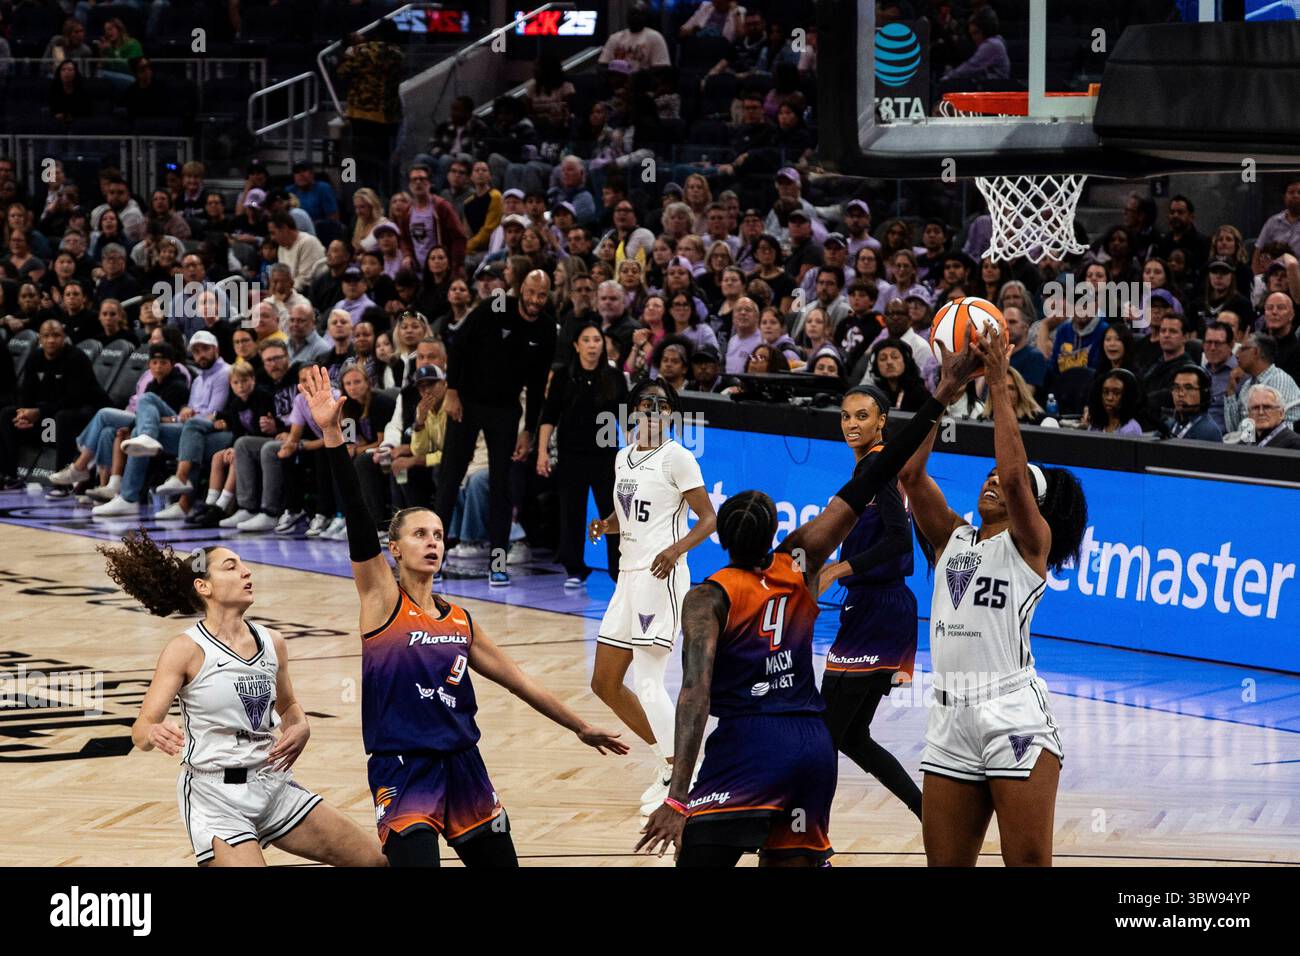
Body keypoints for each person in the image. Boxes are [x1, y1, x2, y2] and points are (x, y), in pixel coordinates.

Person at [636, 341, 983, 864]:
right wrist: (943, 394)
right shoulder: (799, 560)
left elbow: (694, 696)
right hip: (809, 750)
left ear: (722, 538)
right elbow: (875, 474)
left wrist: (676, 795)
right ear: (777, 532)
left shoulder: (708, 597)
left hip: (748, 747)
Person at [301, 366, 627, 866]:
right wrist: (329, 434)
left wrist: (580, 726)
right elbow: (359, 519)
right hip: (404, 768)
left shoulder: (460, 620)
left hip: (464, 767)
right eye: (419, 535)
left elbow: (519, 681)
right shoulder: (381, 599)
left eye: (437, 534)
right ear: (395, 549)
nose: (432, 542)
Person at [896, 324, 1086, 866]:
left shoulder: (1032, 546)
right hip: (950, 716)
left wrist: (999, 384)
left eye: (1008, 483)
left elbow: (1015, 473)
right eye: (991, 477)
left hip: (1013, 714)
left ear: (1029, 502)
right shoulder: (951, 538)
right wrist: (944, 390)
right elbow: (910, 473)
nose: (995, 482)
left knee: (1026, 864)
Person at [100, 530, 386, 867]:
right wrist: (152, 733)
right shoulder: (185, 650)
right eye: (231, 567)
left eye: (244, 566)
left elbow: (289, 706)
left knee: (376, 862)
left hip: (273, 784)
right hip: (215, 794)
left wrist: (301, 726)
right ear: (203, 586)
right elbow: (141, 727)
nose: (246, 572)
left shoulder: (272, 641)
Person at [588, 380, 717, 816]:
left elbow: (709, 519)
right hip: (627, 576)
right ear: (634, 411)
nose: (653, 411)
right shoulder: (623, 454)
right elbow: (629, 513)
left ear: (672, 414)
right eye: (645, 404)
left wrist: (676, 549)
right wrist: (606, 525)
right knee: (604, 682)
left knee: (647, 680)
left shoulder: (678, 457)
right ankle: (669, 766)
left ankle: (684, 775)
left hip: (660, 575)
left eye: (662, 405)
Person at [815, 385, 923, 820]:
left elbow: (900, 540)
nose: (851, 424)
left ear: (882, 421)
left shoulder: (880, 466)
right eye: (845, 416)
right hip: (869, 609)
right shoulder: (868, 471)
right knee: (851, 735)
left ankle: (804, 835)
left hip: (882, 609)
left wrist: (843, 568)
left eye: (862, 416)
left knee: (823, 736)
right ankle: (929, 812)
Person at [436, 271, 556, 586]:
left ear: (548, 296)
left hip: (504, 410)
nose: (534, 301)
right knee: (449, 478)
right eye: (530, 292)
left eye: (541, 295)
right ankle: (434, 559)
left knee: (501, 486)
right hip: (468, 402)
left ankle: (498, 564)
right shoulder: (497, 305)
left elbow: (538, 381)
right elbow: (459, 344)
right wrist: (452, 391)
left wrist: (528, 430)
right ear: (521, 289)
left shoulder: (545, 328)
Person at [538, 321, 629, 587]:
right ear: (577, 346)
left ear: (603, 346)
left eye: (597, 340)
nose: (592, 345)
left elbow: (625, 417)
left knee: (612, 513)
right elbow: (549, 416)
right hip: (571, 455)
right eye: (586, 340)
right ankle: (575, 569)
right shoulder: (564, 376)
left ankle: (618, 569)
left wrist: (635, 449)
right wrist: (542, 452)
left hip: (605, 457)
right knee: (571, 513)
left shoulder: (614, 378)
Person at [0, 319, 108, 488]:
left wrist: (38, 412)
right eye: (46, 336)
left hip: (82, 415)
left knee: (63, 416)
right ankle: (9, 475)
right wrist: (24, 414)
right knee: (7, 414)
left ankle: (62, 483)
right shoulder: (34, 358)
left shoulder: (76, 358)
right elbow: (26, 393)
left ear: (64, 337)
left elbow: (74, 399)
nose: (51, 340)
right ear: (40, 339)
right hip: (48, 418)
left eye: (56, 335)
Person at [1224, 333, 1300, 433]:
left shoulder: (1279, 379)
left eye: (1242, 349)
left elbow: (1272, 427)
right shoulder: (1247, 385)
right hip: (1253, 446)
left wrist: (1245, 442)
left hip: (1280, 445)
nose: (1237, 355)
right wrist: (1231, 393)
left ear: (1256, 351)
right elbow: (1234, 431)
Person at [1166, 366, 1223, 442]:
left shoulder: (1208, 431)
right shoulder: (1168, 425)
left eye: (1188, 388)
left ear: (1203, 394)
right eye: (1176, 387)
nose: (1180, 394)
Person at [1084, 369, 1145, 436]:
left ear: (1127, 396)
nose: (1109, 398)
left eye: (1116, 393)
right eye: (1105, 392)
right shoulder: (1095, 426)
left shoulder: (1131, 430)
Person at [1243, 384, 1300, 449]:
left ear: (1281, 413)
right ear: (1249, 414)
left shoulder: (1295, 444)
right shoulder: (1245, 441)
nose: (1261, 412)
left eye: (1267, 407)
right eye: (1255, 408)